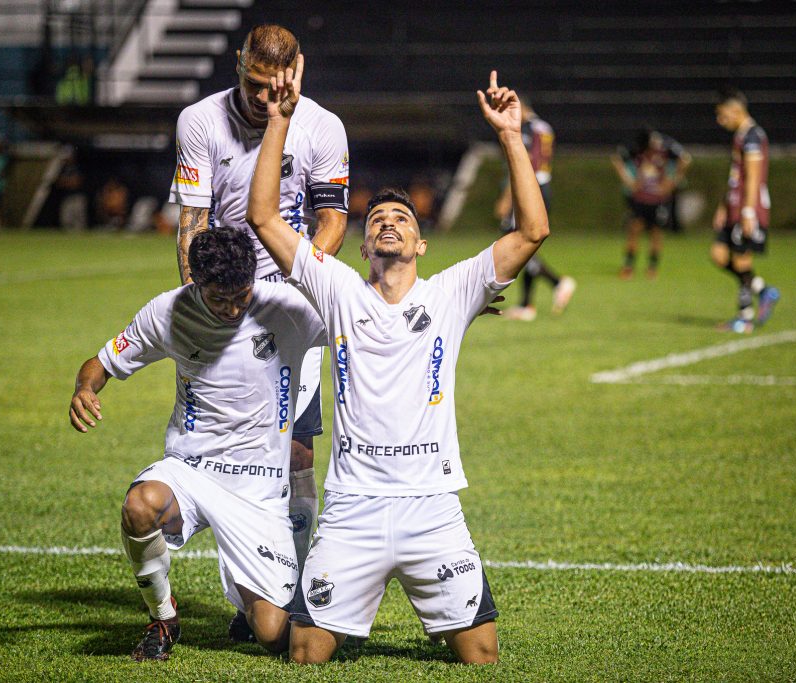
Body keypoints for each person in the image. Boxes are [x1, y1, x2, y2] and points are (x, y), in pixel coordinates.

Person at [245, 61, 548, 665]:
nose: (388, 221)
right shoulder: (338, 290)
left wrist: (512, 136)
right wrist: (279, 118)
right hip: (353, 506)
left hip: (430, 507)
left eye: (402, 219)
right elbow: (264, 219)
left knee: (481, 654)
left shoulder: (451, 292)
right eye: (377, 218)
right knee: (304, 653)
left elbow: (532, 231)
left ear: (420, 245)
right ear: (361, 246)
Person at [167, 23, 350, 639]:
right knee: (231, 457)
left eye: (275, 89)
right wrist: (202, 301)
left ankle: (289, 589)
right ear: (239, 65)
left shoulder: (323, 127)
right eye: (252, 84)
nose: (262, 100)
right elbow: (193, 224)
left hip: (289, 309)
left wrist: (298, 294)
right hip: (223, 308)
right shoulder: (199, 121)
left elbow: (330, 224)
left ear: (297, 73)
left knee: (298, 455)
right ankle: (252, 598)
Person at [68, 229, 326, 661]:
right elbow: (102, 361)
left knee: (272, 634)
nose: (232, 309)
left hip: (258, 489)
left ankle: (251, 594)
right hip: (190, 469)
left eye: (241, 297)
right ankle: (163, 618)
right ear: (196, 281)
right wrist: (84, 388)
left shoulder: (286, 310)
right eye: (219, 299)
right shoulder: (168, 312)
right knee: (139, 505)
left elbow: (367, 321)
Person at [492, 98, 574, 321]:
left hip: (529, 188)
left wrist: (506, 198)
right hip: (543, 187)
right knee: (527, 244)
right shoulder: (544, 126)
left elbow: (523, 162)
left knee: (515, 241)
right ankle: (527, 305)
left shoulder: (526, 127)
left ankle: (558, 283)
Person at [711, 88, 780, 333]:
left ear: (736, 110)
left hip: (748, 208)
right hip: (733, 207)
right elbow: (735, 177)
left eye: (722, 115)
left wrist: (749, 211)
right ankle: (763, 290)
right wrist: (722, 206)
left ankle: (745, 318)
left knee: (741, 259)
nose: (720, 120)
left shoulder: (753, 136)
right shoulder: (740, 136)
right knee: (719, 255)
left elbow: (753, 177)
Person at [611, 128, 691, 279]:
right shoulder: (637, 150)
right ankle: (628, 266)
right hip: (640, 198)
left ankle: (652, 268)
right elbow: (617, 159)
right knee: (634, 230)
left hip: (659, 199)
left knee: (656, 233)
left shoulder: (666, 148)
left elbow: (685, 159)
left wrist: (672, 183)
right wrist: (629, 182)